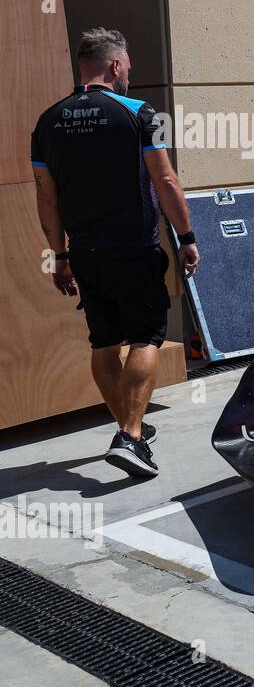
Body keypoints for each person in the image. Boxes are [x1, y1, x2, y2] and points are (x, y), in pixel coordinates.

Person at [30, 28, 200, 478]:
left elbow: (46, 198)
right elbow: (165, 182)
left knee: (105, 341)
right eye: (129, 67)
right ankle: (128, 435)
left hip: (85, 252)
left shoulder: (47, 121)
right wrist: (186, 237)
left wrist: (59, 255)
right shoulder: (143, 113)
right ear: (116, 66)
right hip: (134, 247)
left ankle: (134, 429)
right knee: (146, 336)